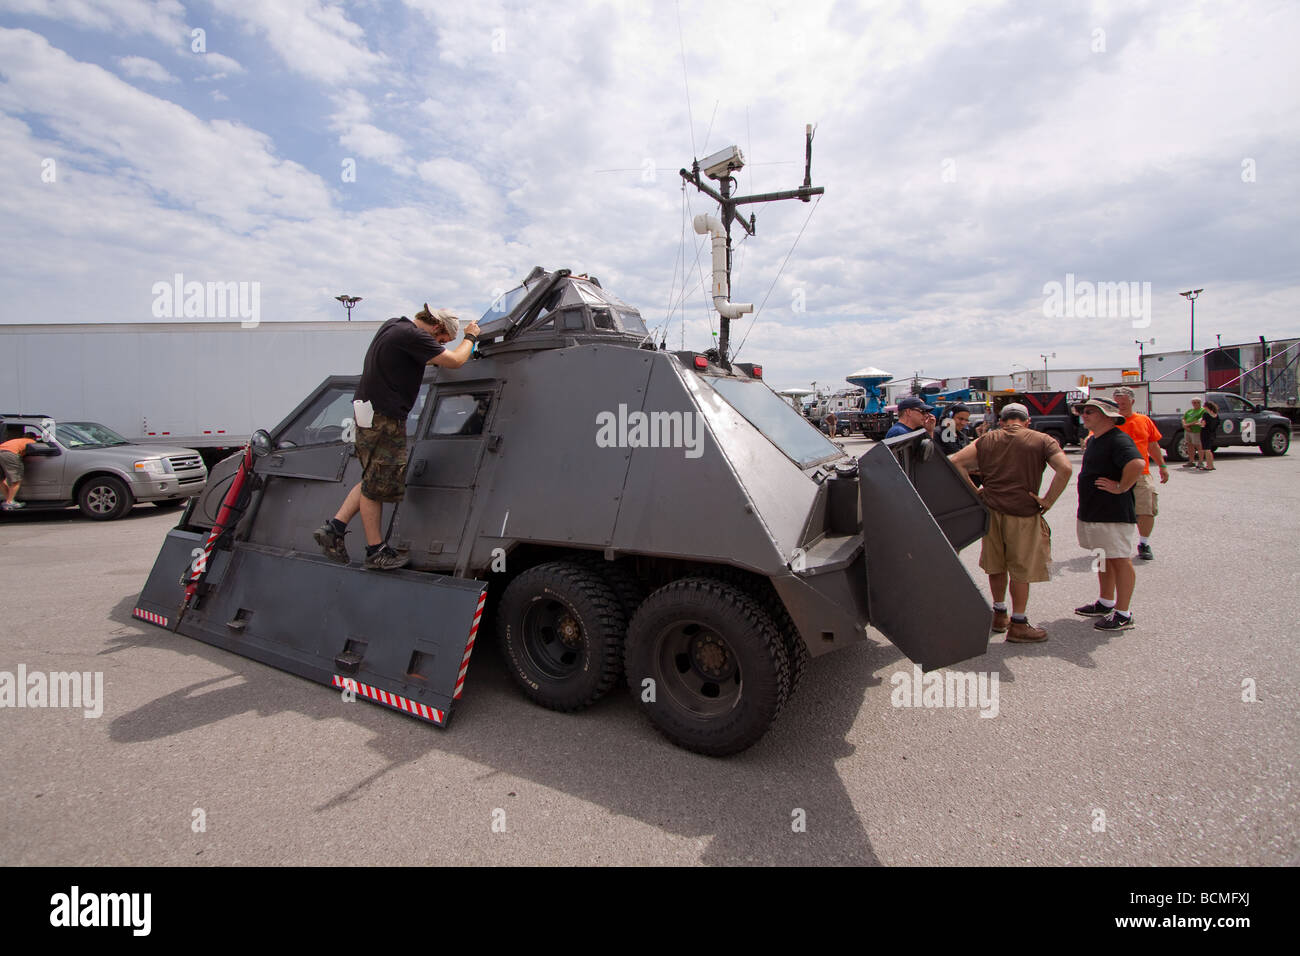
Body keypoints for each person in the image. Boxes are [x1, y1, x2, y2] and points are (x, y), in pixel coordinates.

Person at [315, 304, 481, 570]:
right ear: (437, 328)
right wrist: (470, 337)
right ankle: (376, 551)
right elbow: (455, 361)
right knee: (376, 485)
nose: (438, 346)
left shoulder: (393, 325)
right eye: (441, 341)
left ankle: (334, 528)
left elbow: (426, 358)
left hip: (369, 415)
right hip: (384, 419)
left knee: (372, 476)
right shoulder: (413, 336)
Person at [949, 402, 1072, 642]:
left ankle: (999, 613)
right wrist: (1048, 500)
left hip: (992, 511)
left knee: (996, 565)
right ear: (1027, 421)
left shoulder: (987, 439)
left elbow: (956, 462)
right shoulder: (1042, 440)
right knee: (1020, 569)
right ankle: (1019, 623)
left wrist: (976, 493)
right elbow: (1065, 469)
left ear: (1002, 420)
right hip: (1023, 513)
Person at [1072, 397, 1144, 631]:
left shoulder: (1118, 439)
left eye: (1090, 411)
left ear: (1106, 415)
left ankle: (1123, 613)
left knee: (1119, 559)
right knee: (1103, 556)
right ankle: (1105, 601)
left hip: (1112, 512)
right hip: (1096, 511)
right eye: (1083, 411)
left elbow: (1137, 463)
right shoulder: (1095, 439)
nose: (1084, 415)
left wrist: (1121, 487)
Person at [1110, 386, 1169, 560]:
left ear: (1133, 402)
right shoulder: (1108, 422)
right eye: (1117, 403)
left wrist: (1162, 466)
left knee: (1146, 510)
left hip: (1141, 473)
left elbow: (1153, 445)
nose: (1120, 406)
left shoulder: (1144, 420)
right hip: (1115, 473)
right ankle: (1115, 544)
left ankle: (1144, 543)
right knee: (1114, 512)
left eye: (1124, 403)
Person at [0, 433, 38, 511]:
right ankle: (10, 502)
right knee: (16, 480)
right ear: (34, 438)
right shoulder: (31, 441)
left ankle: (8, 500)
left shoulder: (17, 440)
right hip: (10, 454)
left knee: (1, 480)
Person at [1181, 397, 1206, 469]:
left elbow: (1199, 420)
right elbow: (1184, 418)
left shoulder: (1202, 411)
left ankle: (1200, 462)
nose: (1195, 404)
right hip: (1187, 431)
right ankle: (1191, 461)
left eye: (1197, 402)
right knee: (1189, 445)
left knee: (1198, 446)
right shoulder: (1190, 411)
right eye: (1194, 402)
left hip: (1196, 431)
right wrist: (1184, 425)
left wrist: (1188, 425)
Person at [1200, 400, 1219, 470]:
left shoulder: (1206, 415)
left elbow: (1203, 424)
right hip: (1212, 433)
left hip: (1205, 433)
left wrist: (1199, 423)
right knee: (1209, 450)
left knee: (1206, 450)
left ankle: (1209, 465)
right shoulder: (1216, 415)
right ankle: (1211, 465)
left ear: (1206, 407)